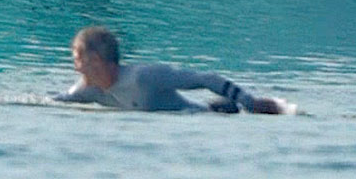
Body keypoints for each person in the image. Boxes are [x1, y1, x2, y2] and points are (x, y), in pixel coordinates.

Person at [54, 26, 289, 113]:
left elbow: (205, 78)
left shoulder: (143, 77)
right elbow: (49, 103)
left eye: (77, 60)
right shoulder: (88, 91)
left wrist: (250, 101)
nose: (75, 68)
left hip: (209, 118)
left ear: (95, 60)